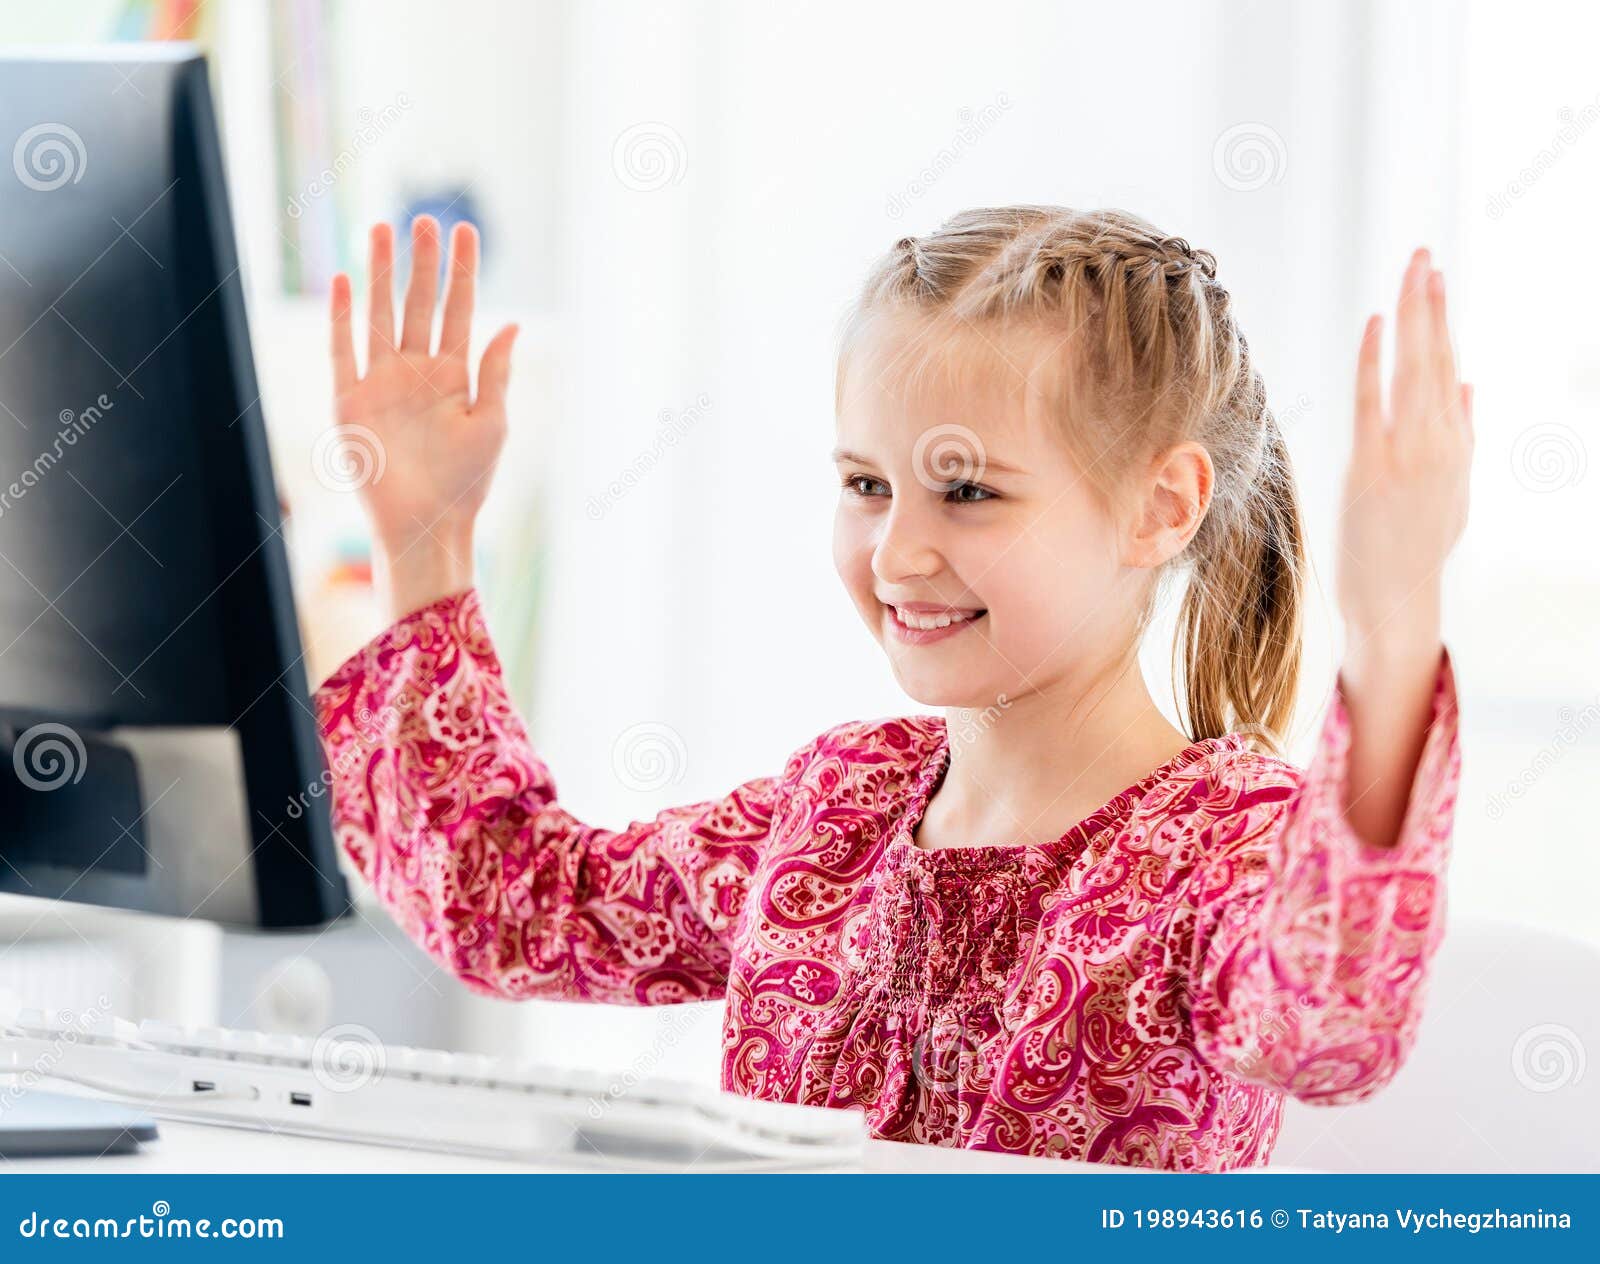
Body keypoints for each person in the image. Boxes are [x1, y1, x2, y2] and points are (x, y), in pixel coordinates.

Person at [313, 206, 1469, 1170]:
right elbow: (512, 903)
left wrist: (1392, 623)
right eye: (867, 483)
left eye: (967, 492)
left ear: (1160, 506)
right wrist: (425, 541)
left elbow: (1331, 1025)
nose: (895, 552)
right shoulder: (840, 808)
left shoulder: (1218, 845)